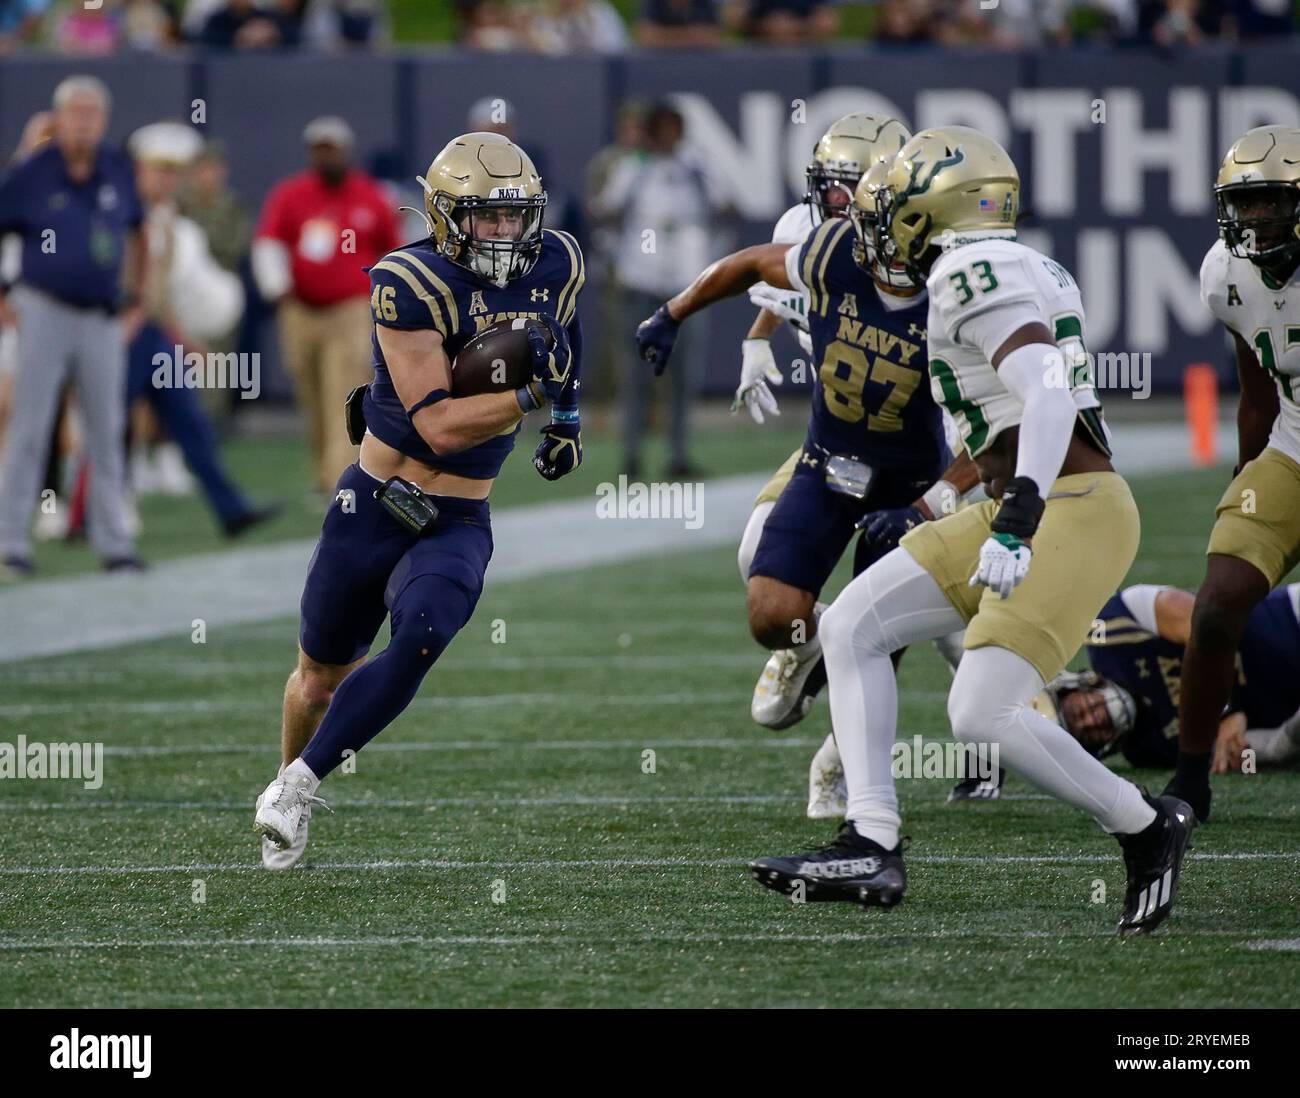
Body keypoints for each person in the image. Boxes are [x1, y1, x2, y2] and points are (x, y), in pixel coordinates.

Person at [745, 127, 1194, 934]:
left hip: (1069, 505)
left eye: (889, 214)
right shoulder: (1020, 263)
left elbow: (1049, 392)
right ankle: (873, 840)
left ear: (930, 216)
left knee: (979, 714)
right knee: (849, 627)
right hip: (1030, 495)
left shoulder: (964, 273)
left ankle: (1146, 823)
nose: (876, 232)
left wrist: (1019, 520)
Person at [252, 132, 586, 869]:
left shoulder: (557, 260)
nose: (503, 233)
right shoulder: (409, 281)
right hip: (373, 502)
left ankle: (297, 789)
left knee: (422, 634)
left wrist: (565, 420)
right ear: (443, 216)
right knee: (316, 678)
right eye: (485, 218)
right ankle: (286, 771)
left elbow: (563, 329)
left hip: (459, 515)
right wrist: (536, 394)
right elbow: (436, 422)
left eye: (513, 217)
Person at [637, 114, 976, 818]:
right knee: (772, 600)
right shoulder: (825, 244)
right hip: (833, 455)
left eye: (850, 190)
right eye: (828, 189)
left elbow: (997, 426)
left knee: (938, 633)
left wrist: (937, 499)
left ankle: (894, 759)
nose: (835, 205)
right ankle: (811, 649)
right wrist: (688, 317)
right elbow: (760, 269)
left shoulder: (956, 280)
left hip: (924, 465)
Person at [1164, 125, 1300, 822]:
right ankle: (1189, 780)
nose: (1254, 219)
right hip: (1293, 447)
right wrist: (1247, 487)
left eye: (1270, 202)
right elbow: (1256, 393)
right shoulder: (1226, 272)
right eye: (1243, 203)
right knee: (1217, 601)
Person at [0, 75, 144, 577]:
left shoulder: (116, 167)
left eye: (91, 115)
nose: (82, 124)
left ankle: (115, 543)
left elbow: (137, 231)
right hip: (43, 308)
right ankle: (12, 542)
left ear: (102, 120)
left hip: (102, 315)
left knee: (106, 429)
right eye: (74, 114)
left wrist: (137, 300)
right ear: (58, 119)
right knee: (30, 426)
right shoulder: (33, 171)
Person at [126, 121, 278, 538]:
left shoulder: (167, 215)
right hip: (117, 333)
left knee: (190, 420)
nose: (168, 180)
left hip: (152, 334)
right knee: (110, 427)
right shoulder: (118, 209)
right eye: (160, 170)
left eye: (174, 172)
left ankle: (230, 509)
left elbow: (160, 292)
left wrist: (184, 340)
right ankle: (84, 514)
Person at [253, 115, 399, 495]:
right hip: (300, 309)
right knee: (311, 394)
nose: (326, 157)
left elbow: (392, 250)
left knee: (343, 392)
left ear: (346, 152)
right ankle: (323, 473)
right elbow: (269, 241)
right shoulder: (291, 194)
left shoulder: (370, 196)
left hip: (350, 310)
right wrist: (277, 286)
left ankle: (341, 479)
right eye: (320, 150)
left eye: (332, 149)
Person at [1040, 583, 1300, 772]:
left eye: (1076, 714)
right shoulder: (1149, 750)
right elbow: (1241, 750)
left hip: (1290, 624)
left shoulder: (1112, 630)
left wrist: (1226, 711)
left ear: (1071, 687)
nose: (1090, 722)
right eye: (1083, 736)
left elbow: (1208, 627)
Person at [595, 101, 725, 477]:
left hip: (687, 283)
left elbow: (726, 205)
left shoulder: (697, 166)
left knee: (685, 374)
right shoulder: (631, 167)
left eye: (673, 129)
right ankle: (632, 455)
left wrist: (706, 246)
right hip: (641, 279)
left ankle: (678, 454)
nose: (668, 136)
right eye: (661, 129)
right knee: (635, 374)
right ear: (652, 131)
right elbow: (604, 210)